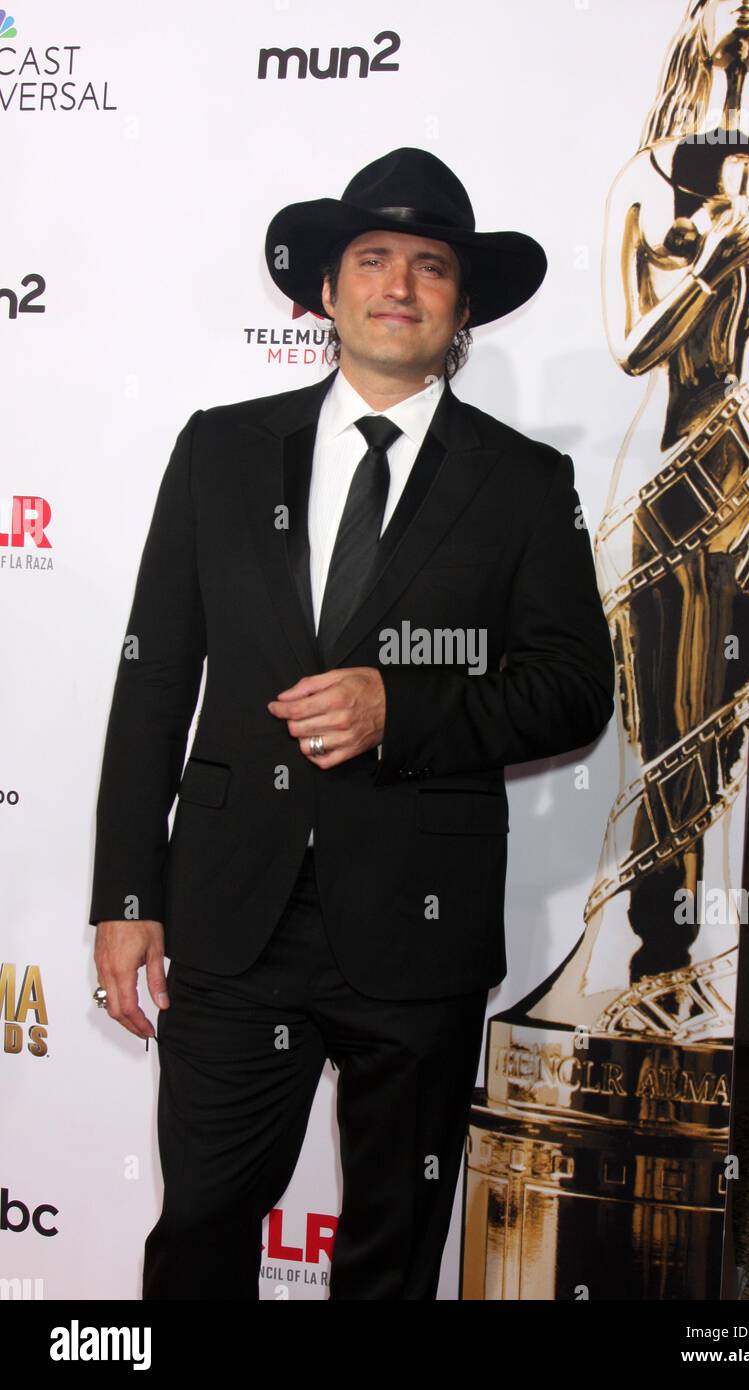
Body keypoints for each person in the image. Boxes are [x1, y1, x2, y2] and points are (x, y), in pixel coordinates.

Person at [88, 146, 615, 1300]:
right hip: (232, 919)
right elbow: (151, 678)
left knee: (388, 1253)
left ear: (462, 304)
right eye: (369, 259)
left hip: (418, 933)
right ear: (324, 293)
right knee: (201, 1232)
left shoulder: (523, 483)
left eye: (428, 267)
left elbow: (578, 686)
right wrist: (128, 896)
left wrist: (402, 705)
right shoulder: (219, 449)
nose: (397, 284)